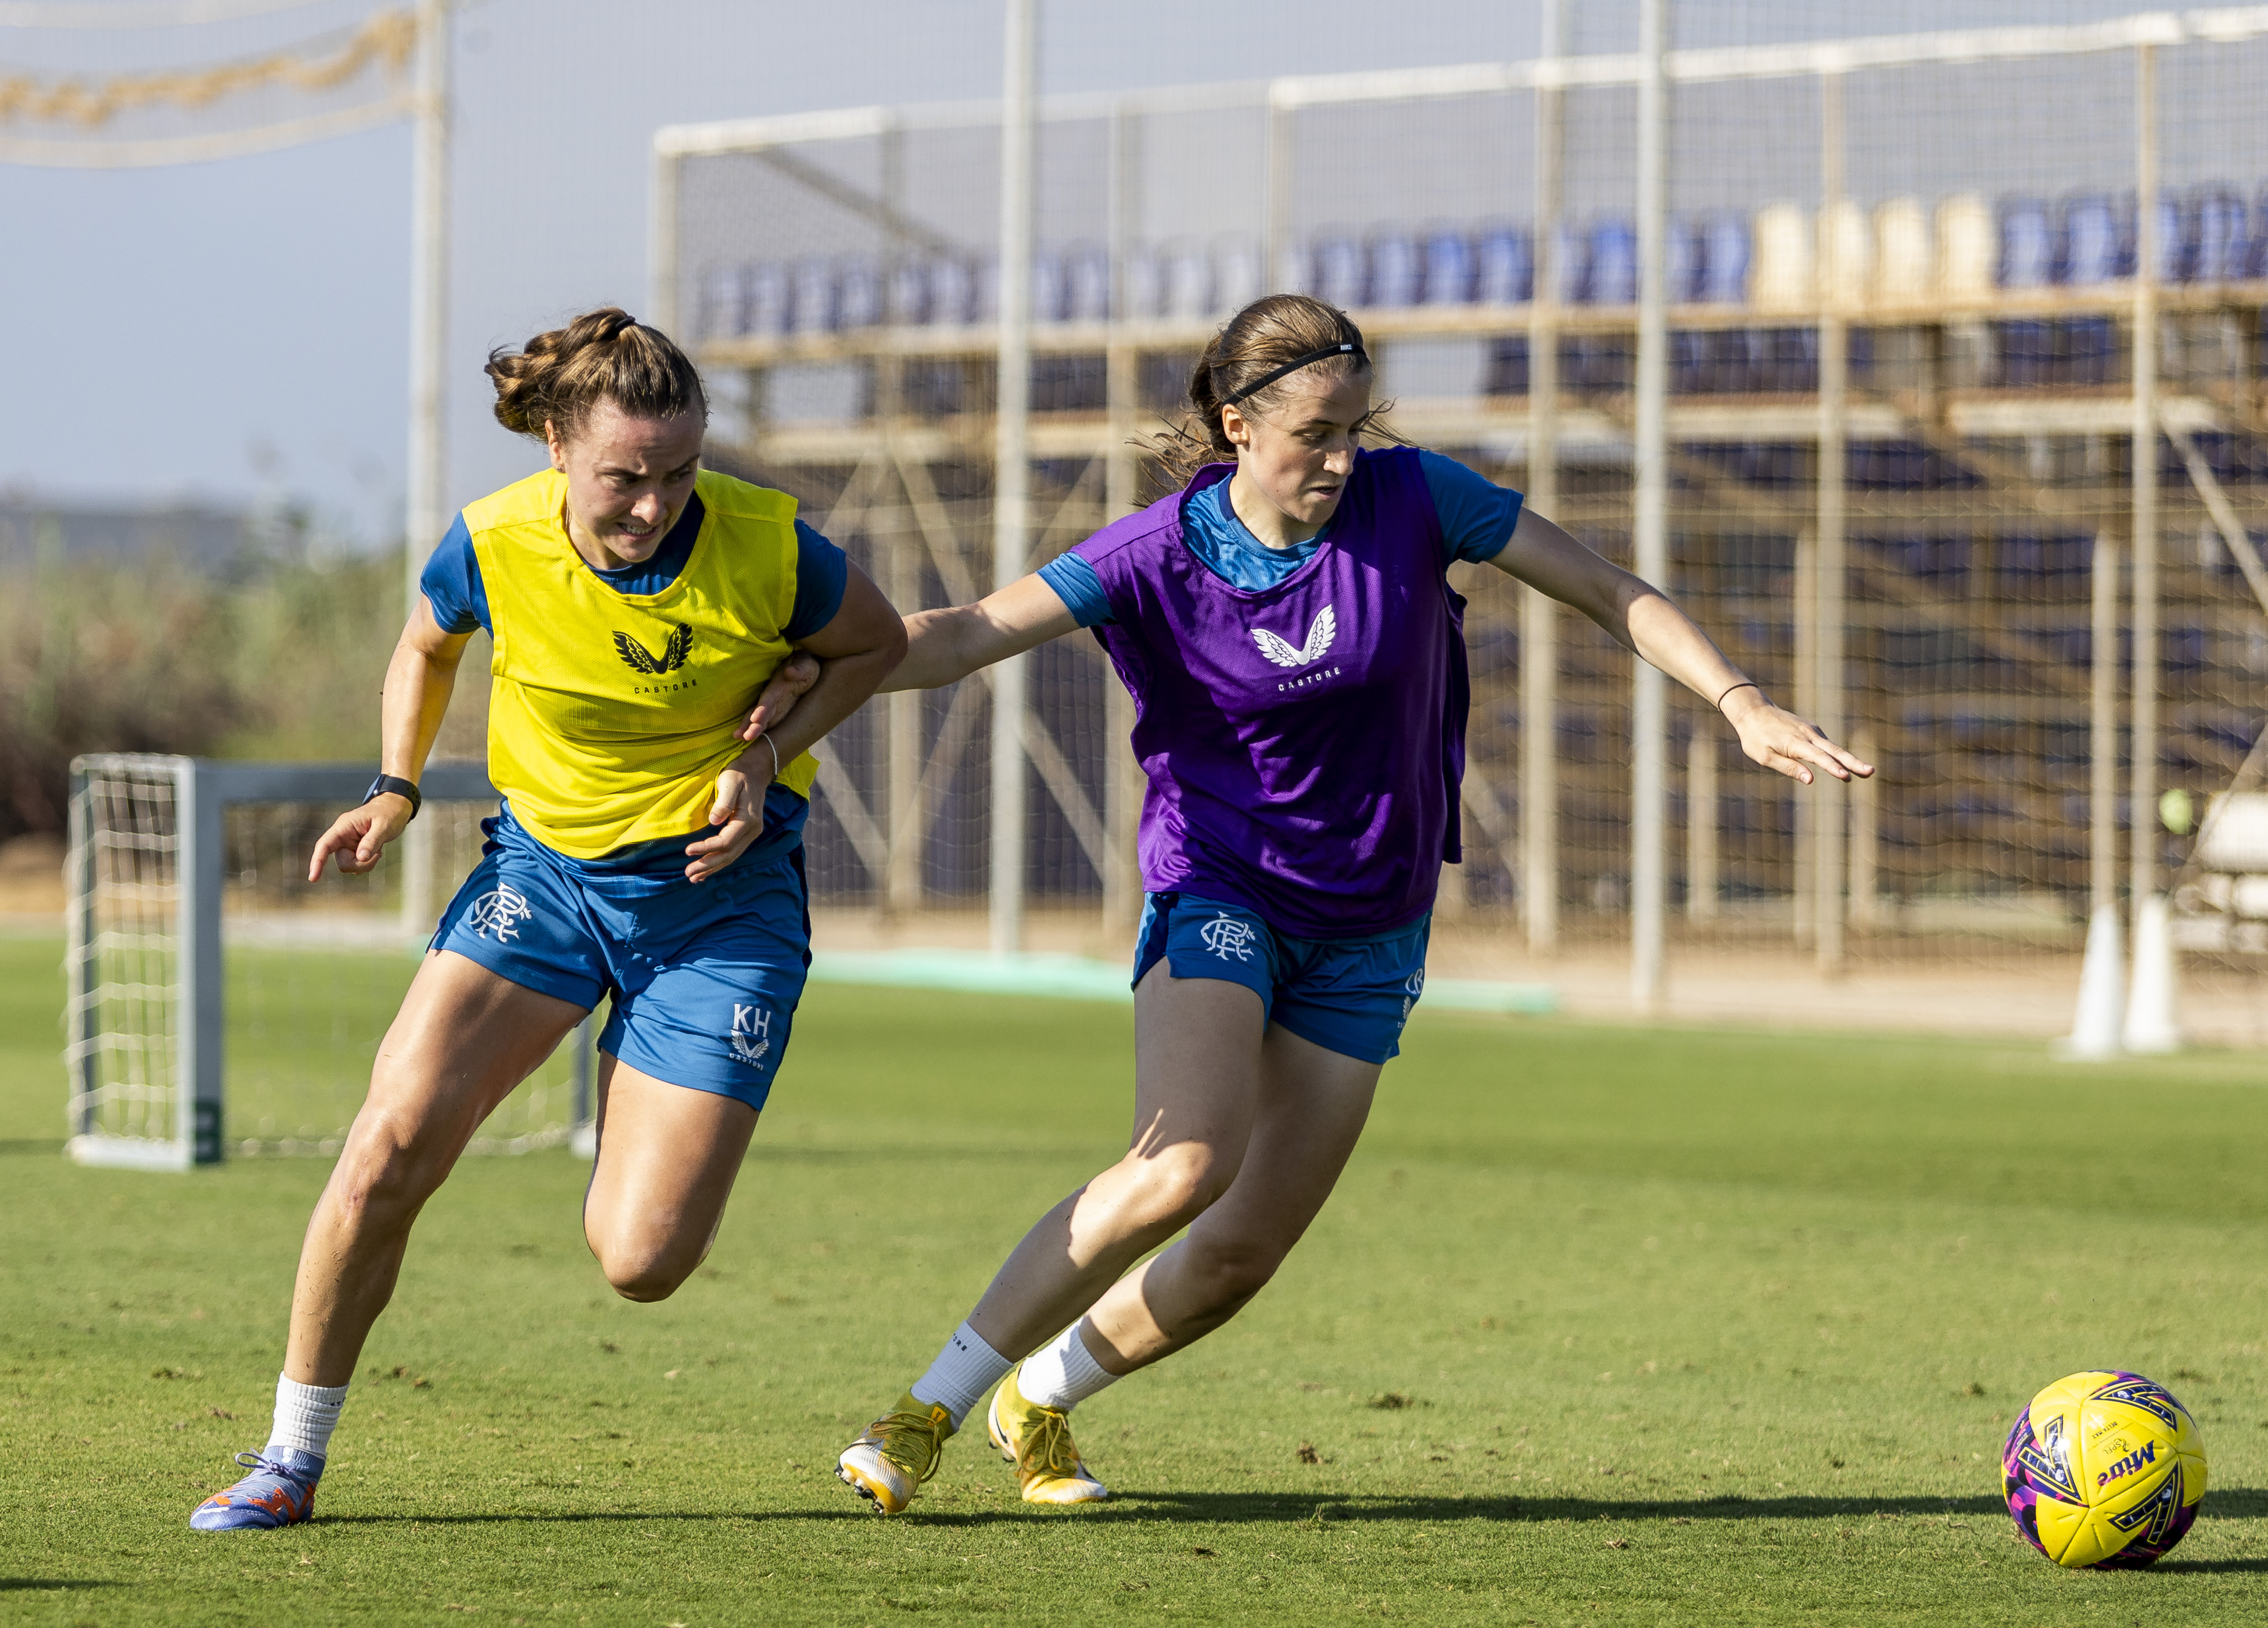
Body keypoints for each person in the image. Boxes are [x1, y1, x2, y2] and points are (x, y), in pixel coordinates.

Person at [827, 293, 1870, 1514]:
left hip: (1373, 921)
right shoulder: (1150, 554)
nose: (1338, 459)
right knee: (1185, 1164)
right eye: (1313, 435)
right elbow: (962, 635)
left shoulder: (1417, 498)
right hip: (1220, 883)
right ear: (1237, 426)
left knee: (1236, 1257)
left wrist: (1740, 700)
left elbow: (1602, 587)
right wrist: (811, 661)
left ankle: (1039, 1396)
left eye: (1353, 430)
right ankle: (924, 1413)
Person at [189, 307, 902, 1530]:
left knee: (642, 1260)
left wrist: (768, 748)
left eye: (681, 471)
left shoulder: (775, 550)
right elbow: (425, 646)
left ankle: (647, 1068)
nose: (656, 504)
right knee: (385, 1148)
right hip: (546, 882)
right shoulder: (494, 540)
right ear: (559, 448)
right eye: (626, 476)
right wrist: (395, 785)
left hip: (719, 907)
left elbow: (875, 645)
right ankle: (286, 1460)